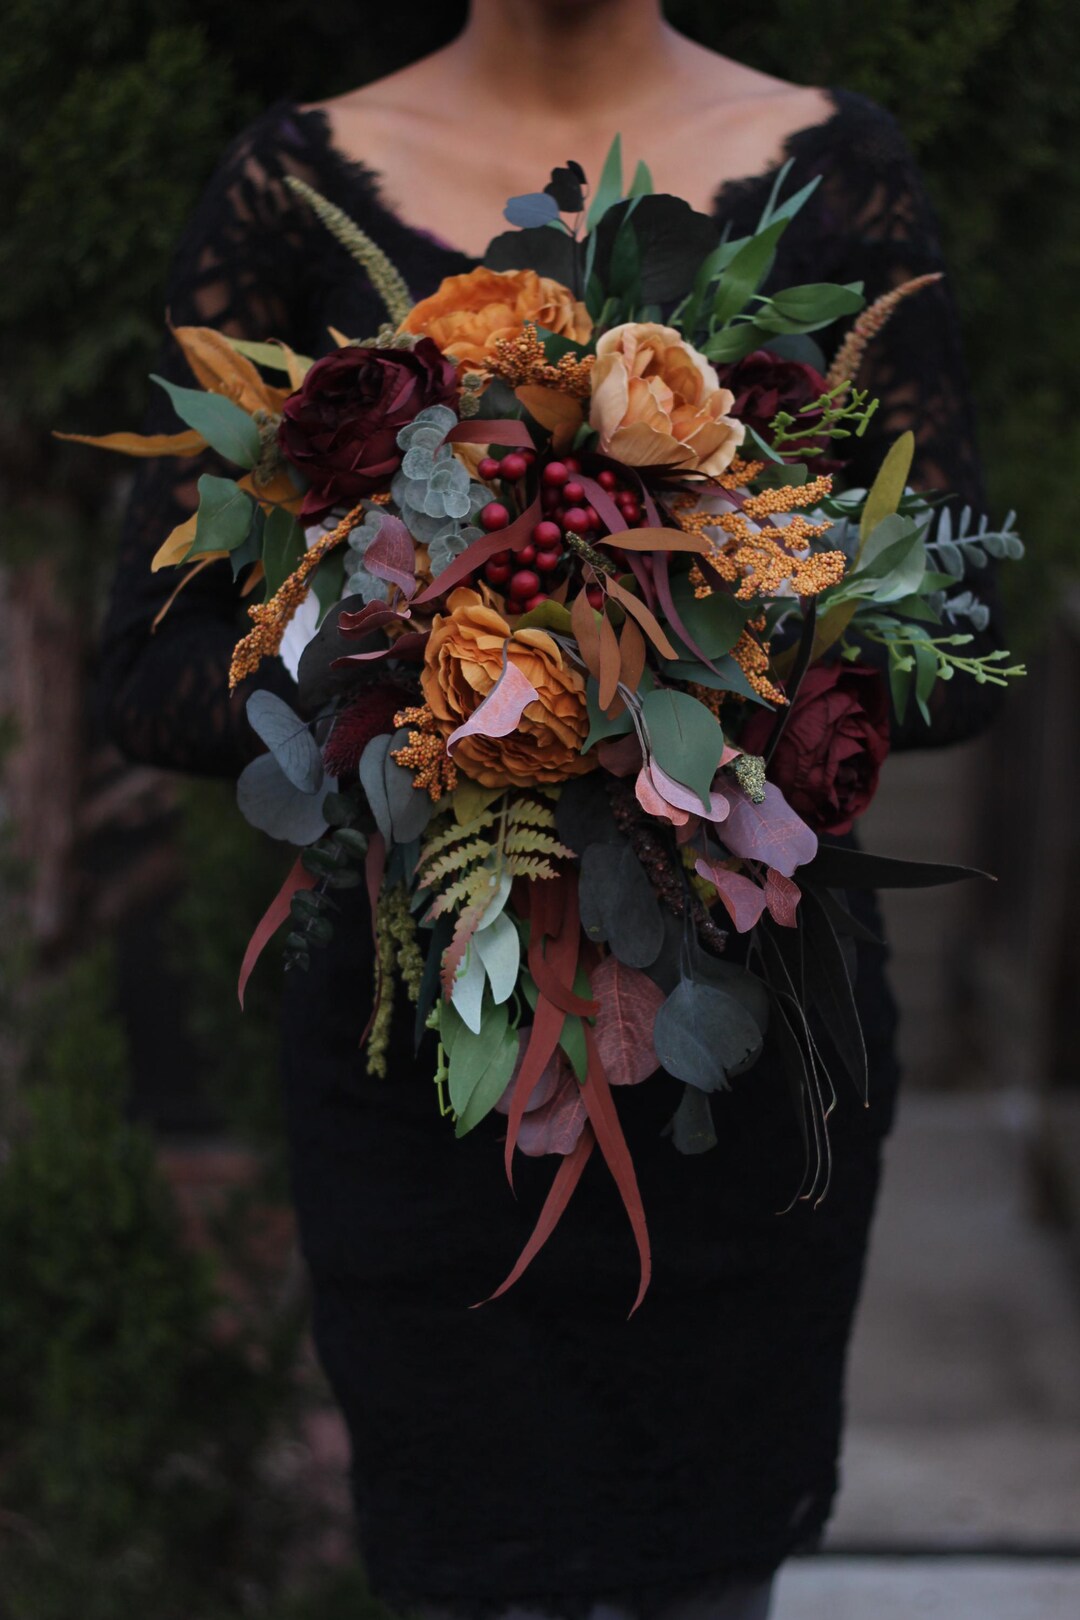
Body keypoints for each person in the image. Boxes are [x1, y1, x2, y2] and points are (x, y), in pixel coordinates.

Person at [99, 3, 999, 1615]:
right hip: (418, 1061)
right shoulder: (291, 184)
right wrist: (450, 663)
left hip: (751, 1051)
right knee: (459, 1571)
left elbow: (955, 643)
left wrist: (672, 658)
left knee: (707, 1574)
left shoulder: (843, 166)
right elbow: (155, 667)